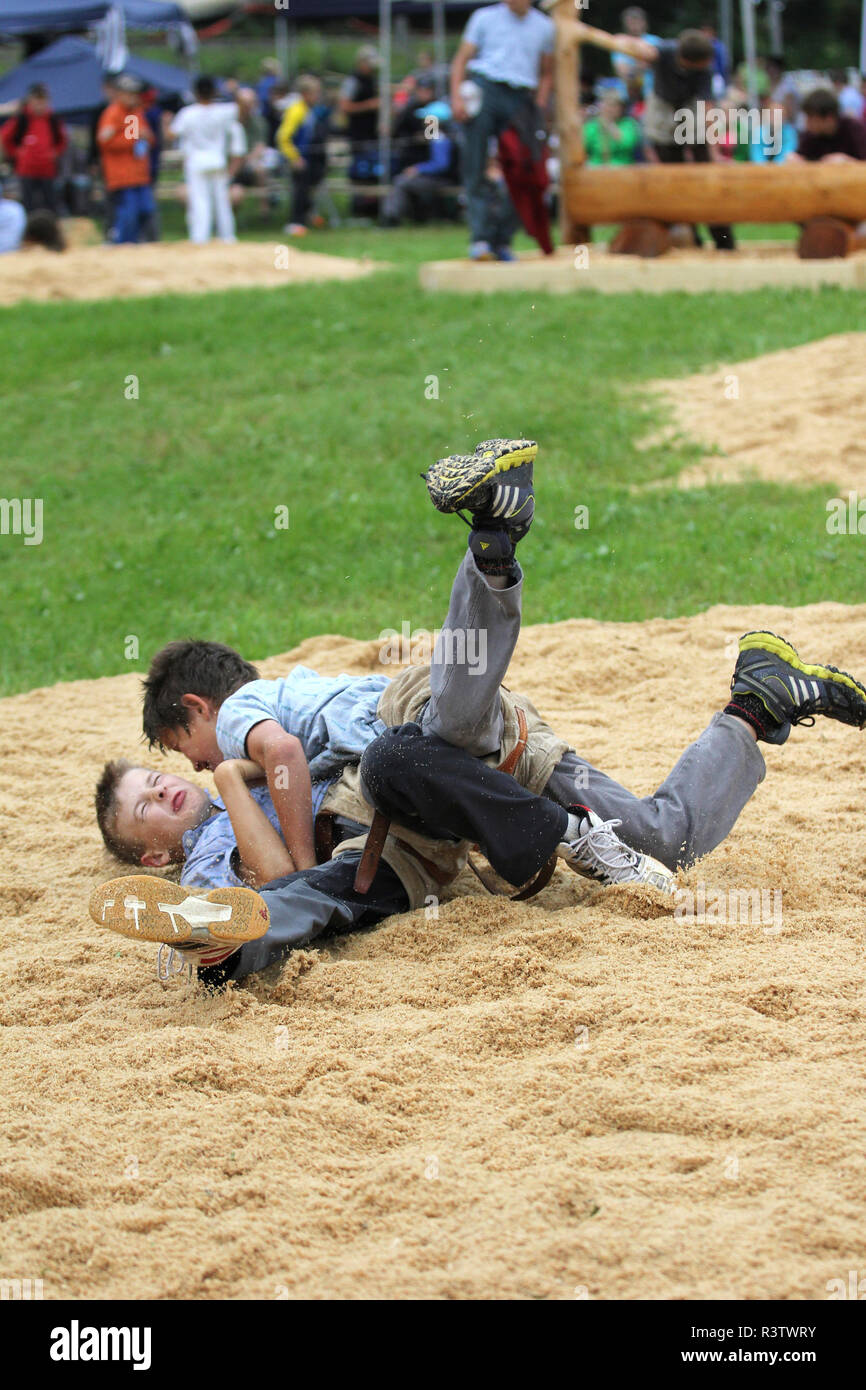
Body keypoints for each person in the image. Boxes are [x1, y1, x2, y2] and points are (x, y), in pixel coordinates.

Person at [92, 441, 866, 990]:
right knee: (668, 840)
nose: (178, 777)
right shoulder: (220, 818)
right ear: (150, 857)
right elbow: (278, 867)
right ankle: (759, 702)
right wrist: (231, 792)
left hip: (446, 737)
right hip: (418, 826)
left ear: (201, 708)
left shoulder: (254, 719)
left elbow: (290, 759)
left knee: (413, 749)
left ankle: (491, 546)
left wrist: (239, 769)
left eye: (169, 762)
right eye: (149, 804)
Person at [573, 20, 735, 250]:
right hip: (663, 106)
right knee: (672, 175)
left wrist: (713, 151)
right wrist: (621, 43)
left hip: (689, 107)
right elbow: (634, 46)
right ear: (688, 60)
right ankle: (689, 236)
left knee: (705, 174)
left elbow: (707, 110)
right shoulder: (664, 51)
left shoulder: (704, 70)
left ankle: (722, 238)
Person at [450, 0, 554, 261]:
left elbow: (547, 72)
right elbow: (461, 60)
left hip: (520, 98)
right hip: (485, 89)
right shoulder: (483, 18)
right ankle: (481, 240)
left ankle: (502, 240)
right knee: (475, 165)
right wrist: (456, 97)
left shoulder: (544, 27)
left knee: (523, 170)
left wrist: (538, 106)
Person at [170, 76, 243, 244]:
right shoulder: (224, 111)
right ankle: (228, 236)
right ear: (214, 91)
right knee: (222, 201)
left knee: (199, 201)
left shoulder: (187, 113)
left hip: (196, 162)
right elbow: (242, 106)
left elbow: (172, 133)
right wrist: (234, 90)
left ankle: (199, 238)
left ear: (195, 93)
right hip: (217, 160)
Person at [96, 74, 156, 245]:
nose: (133, 97)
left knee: (145, 210)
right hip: (121, 175)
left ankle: (134, 240)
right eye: (130, 93)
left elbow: (145, 139)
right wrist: (134, 139)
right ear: (120, 94)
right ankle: (121, 242)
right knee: (127, 213)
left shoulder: (136, 113)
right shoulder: (112, 114)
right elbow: (105, 141)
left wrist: (145, 137)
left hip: (139, 174)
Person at [0, 83, 67, 213]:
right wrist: (16, 153)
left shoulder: (52, 119)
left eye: (43, 101)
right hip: (26, 169)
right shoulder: (22, 118)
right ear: (30, 101)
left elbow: (63, 140)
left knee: (50, 204)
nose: (40, 105)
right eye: (37, 100)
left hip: (47, 169)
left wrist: (55, 153)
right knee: (27, 204)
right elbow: (5, 136)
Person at [277, 74, 325, 235]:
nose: (317, 96)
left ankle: (308, 214)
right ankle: (295, 222)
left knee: (311, 180)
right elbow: (283, 138)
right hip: (294, 159)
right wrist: (295, 158)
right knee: (300, 186)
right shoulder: (296, 110)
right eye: (315, 93)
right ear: (305, 94)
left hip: (306, 158)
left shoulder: (306, 109)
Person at [790, 87, 866, 163]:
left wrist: (848, 162)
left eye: (811, 118)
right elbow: (800, 158)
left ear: (829, 118)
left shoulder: (854, 130)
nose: (807, 122)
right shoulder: (810, 135)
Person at [584, 91, 643, 166]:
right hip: (595, 169)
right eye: (607, 105)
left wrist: (609, 124)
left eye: (615, 106)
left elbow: (626, 144)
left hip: (622, 169)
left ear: (622, 108)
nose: (610, 109)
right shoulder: (592, 125)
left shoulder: (628, 124)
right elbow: (582, 148)